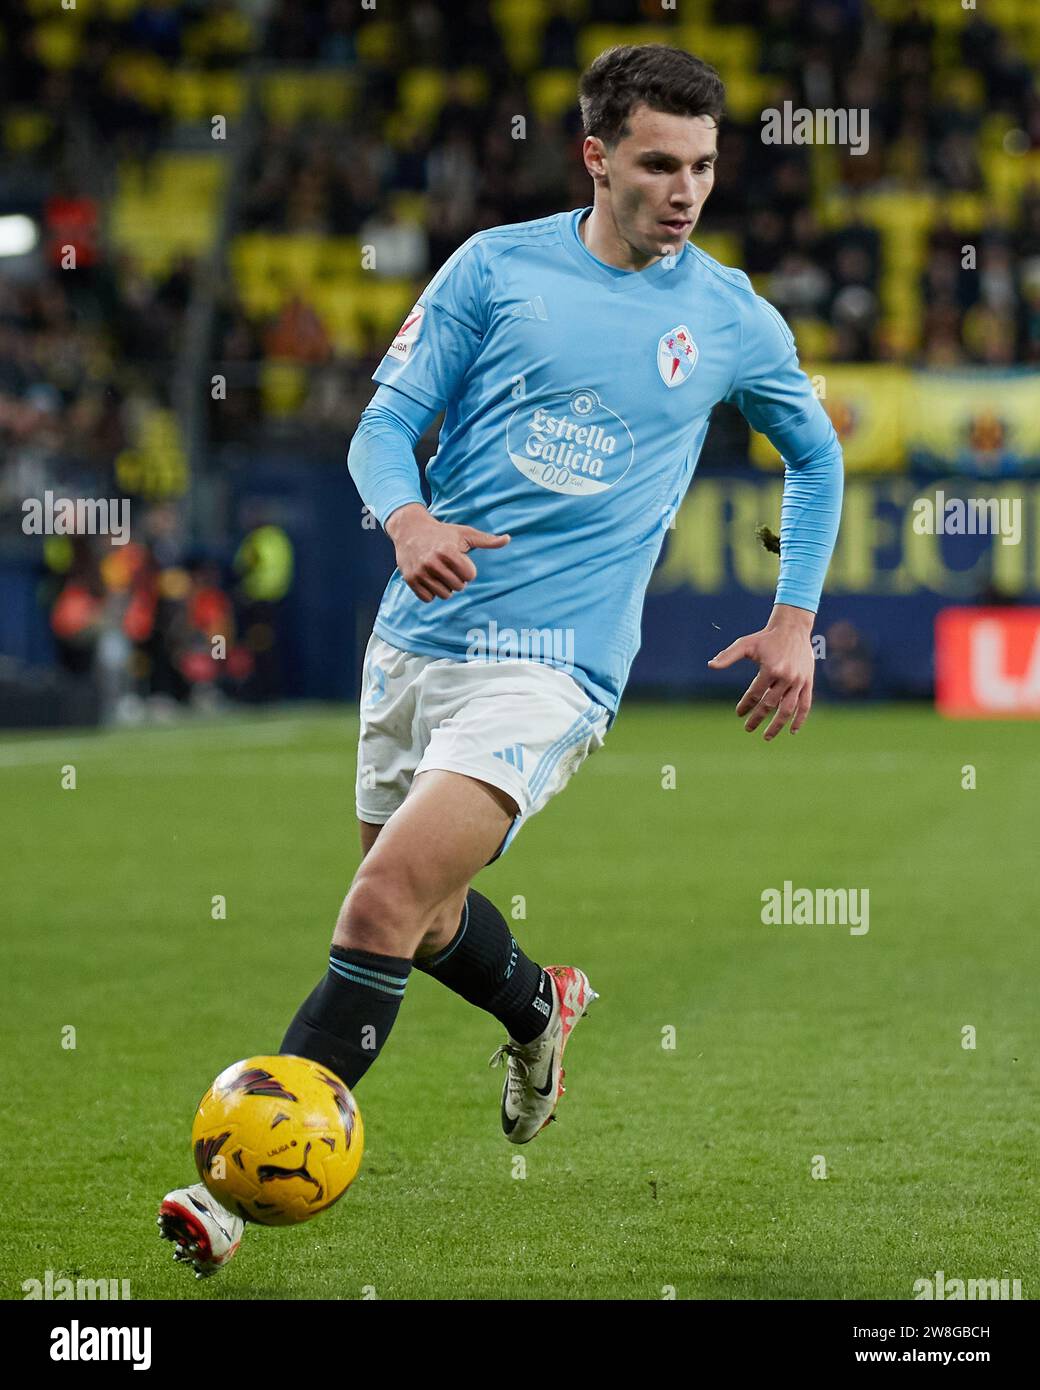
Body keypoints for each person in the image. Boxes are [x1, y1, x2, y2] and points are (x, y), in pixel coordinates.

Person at [159, 43, 843, 1277]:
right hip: (417, 643)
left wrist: (795, 618)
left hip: (554, 666)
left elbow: (817, 456)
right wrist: (408, 517)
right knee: (416, 923)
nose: (684, 190)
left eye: (701, 164)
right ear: (595, 156)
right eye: (655, 163)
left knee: (376, 903)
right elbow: (382, 427)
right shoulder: (496, 268)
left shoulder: (728, 313)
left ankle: (234, 1187)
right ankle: (537, 1005)